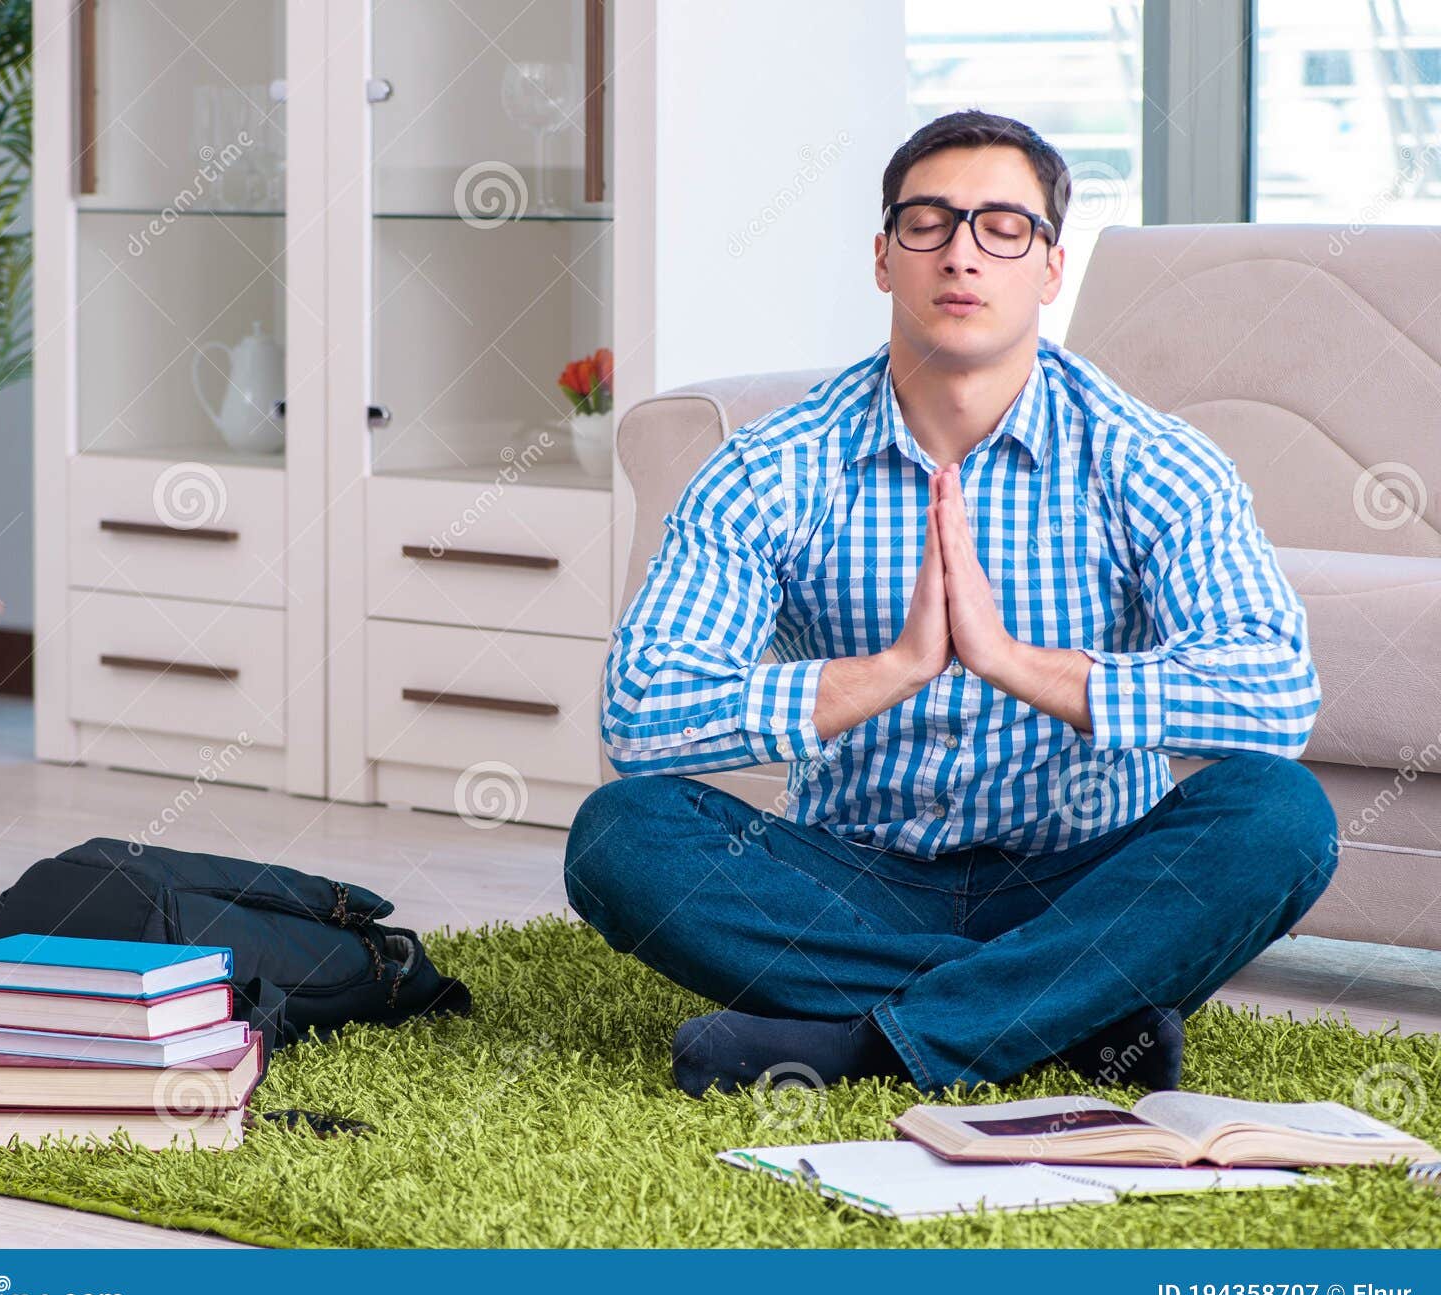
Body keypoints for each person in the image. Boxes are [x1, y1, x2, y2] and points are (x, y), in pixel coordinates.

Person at [563, 109, 1339, 1100]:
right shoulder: (774, 466)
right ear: (885, 257)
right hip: (853, 886)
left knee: (1280, 814)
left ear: (1049, 270)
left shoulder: (1149, 459)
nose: (962, 253)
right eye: (928, 223)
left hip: (1075, 882)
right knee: (620, 835)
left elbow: (1275, 695)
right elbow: (640, 712)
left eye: (1001, 228)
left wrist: (1017, 663)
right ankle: (1071, 1016)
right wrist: (882, 674)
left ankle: (867, 1040)